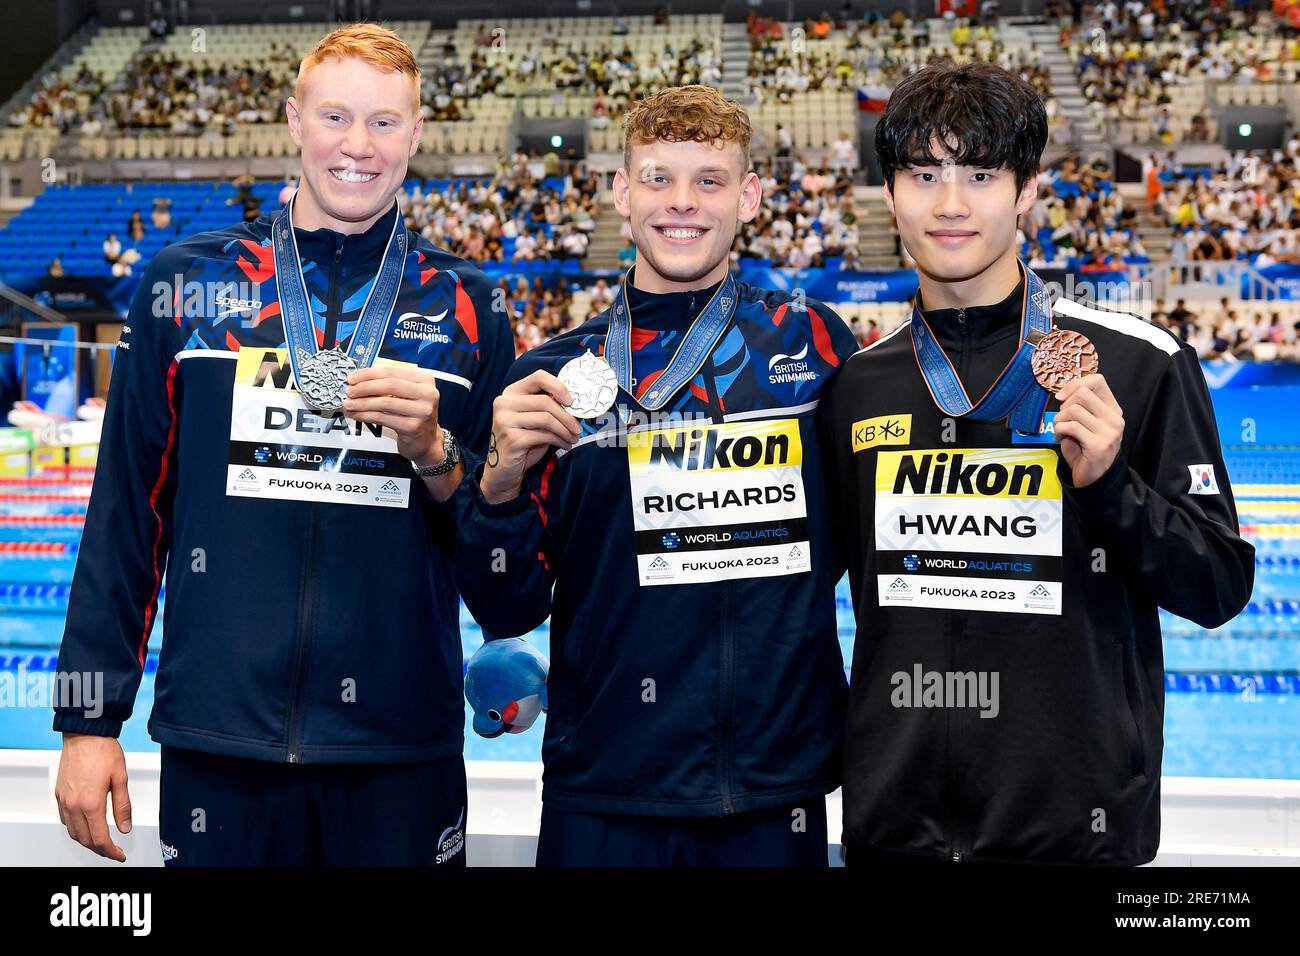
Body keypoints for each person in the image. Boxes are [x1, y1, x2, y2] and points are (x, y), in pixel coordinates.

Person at [52, 23, 512, 867]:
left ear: (416, 133)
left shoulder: (470, 310)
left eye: (384, 123)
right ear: (294, 119)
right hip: (219, 745)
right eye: (335, 117)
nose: (357, 146)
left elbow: (500, 559)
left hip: (397, 751)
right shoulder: (186, 289)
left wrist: (435, 452)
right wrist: (89, 719)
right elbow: (125, 516)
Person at [817, 61, 1255, 866]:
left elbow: (1221, 587)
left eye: (981, 175)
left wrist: (1110, 487)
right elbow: (794, 590)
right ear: (890, 196)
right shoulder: (855, 385)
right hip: (893, 831)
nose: (950, 205)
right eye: (924, 176)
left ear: (1025, 192)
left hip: (1072, 838)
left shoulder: (1139, 364)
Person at [442, 85, 858, 866]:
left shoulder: (813, 348)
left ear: (750, 197)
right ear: (622, 193)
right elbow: (508, 602)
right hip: (603, 787)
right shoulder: (555, 377)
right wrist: (496, 481)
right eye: (659, 178)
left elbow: (855, 544)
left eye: (710, 180)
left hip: (772, 790)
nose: (683, 203)